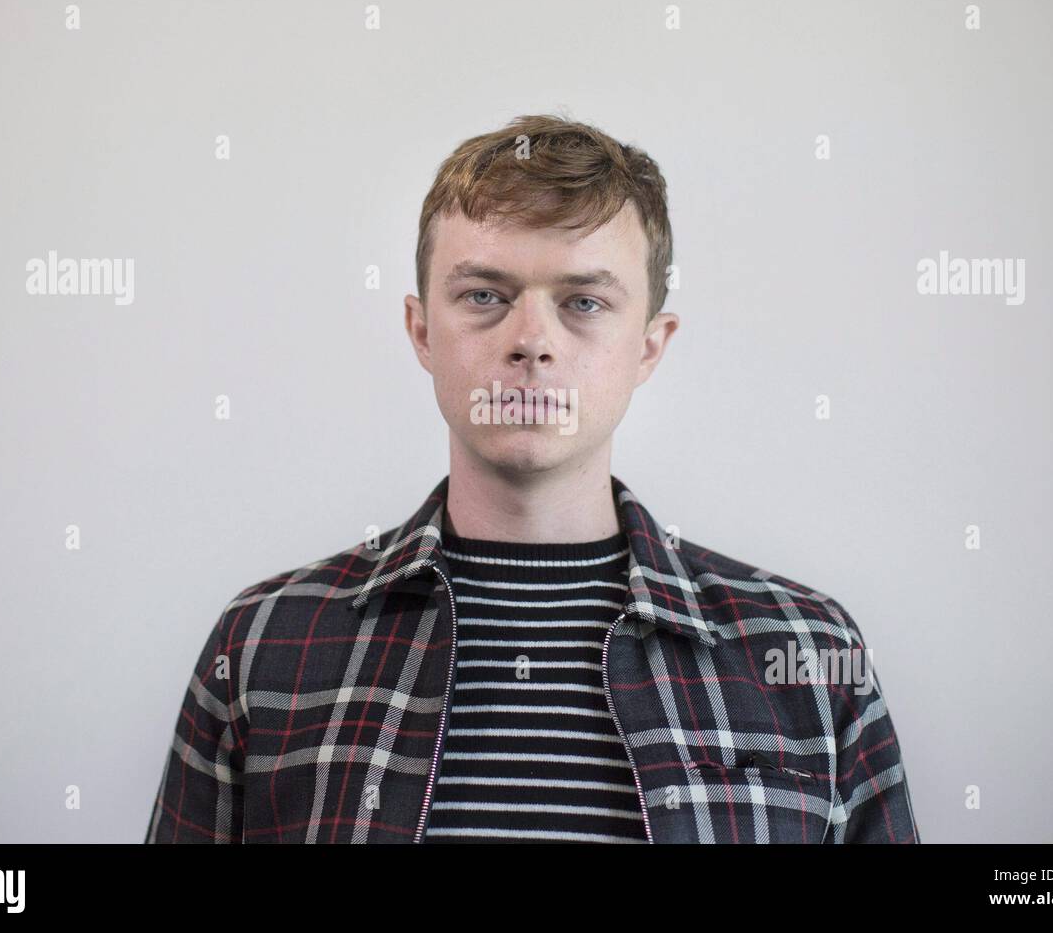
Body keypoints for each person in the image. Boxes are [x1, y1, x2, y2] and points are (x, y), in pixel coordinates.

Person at [145, 113, 919, 843]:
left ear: (650, 347)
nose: (531, 342)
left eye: (584, 301)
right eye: (485, 295)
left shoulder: (807, 653)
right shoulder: (263, 646)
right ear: (422, 331)